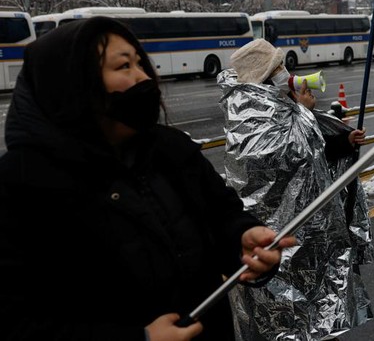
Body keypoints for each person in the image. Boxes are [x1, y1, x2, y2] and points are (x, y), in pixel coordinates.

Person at [0, 17, 293, 341]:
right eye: (123, 66)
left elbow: (223, 213)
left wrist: (243, 238)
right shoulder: (19, 183)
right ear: (72, 83)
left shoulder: (171, 148)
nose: (143, 77)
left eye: (141, 63)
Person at [218, 39, 372, 340]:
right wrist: (302, 113)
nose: (285, 73)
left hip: (312, 229)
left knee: (317, 306)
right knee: (285, 312)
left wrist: (343, 141)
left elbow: (312, 153)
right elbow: (283, 158)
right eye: (277, 68)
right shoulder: (253, 116)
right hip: (279, 237)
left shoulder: (282, 109)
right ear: (263, 76)